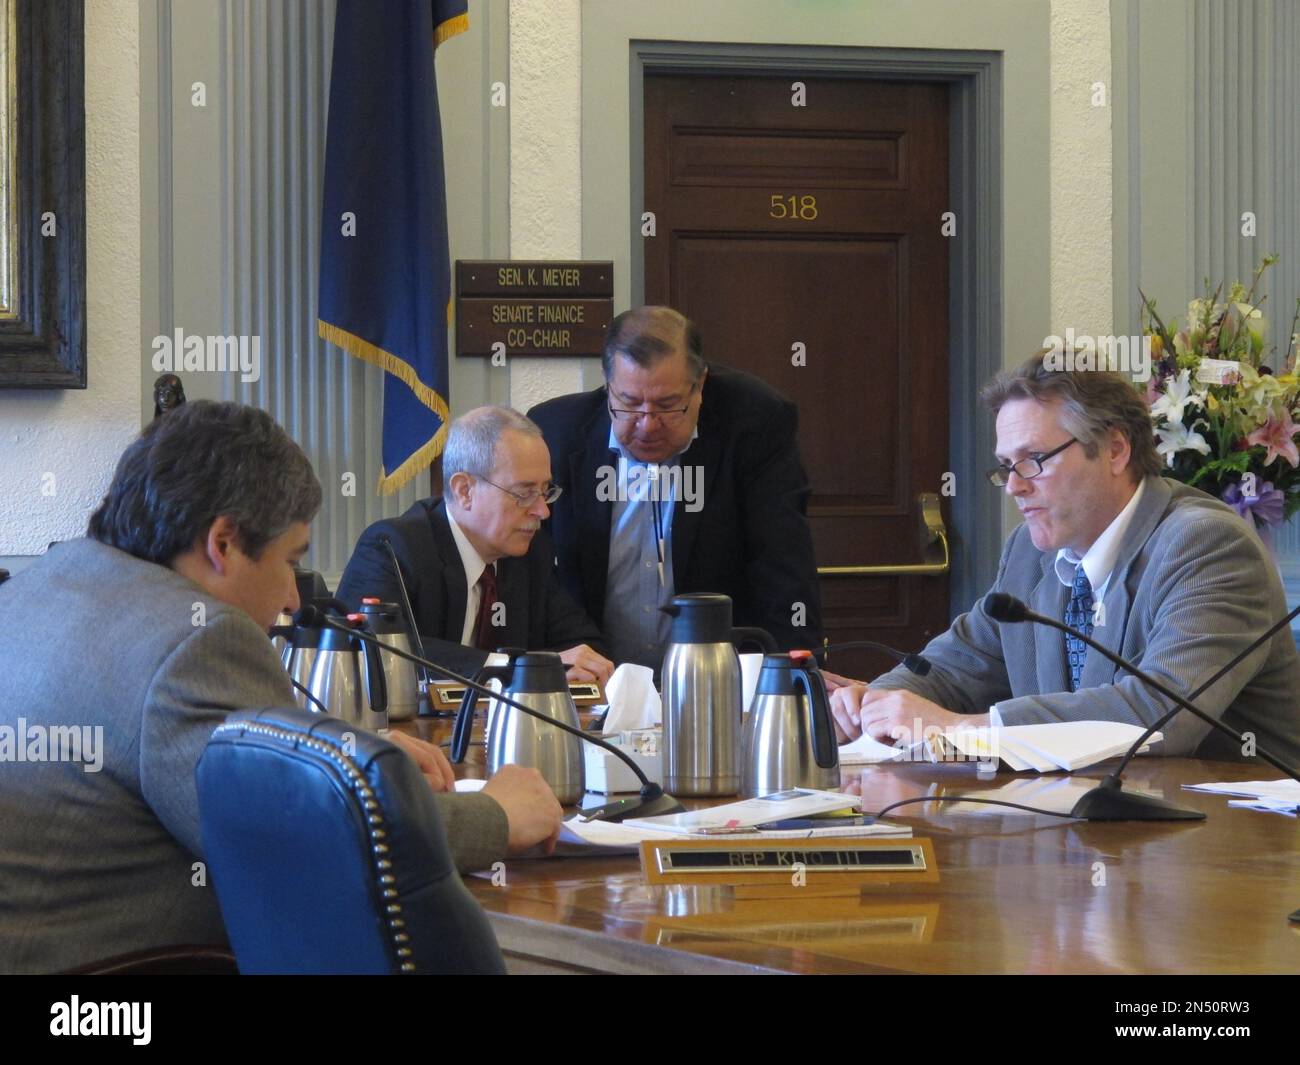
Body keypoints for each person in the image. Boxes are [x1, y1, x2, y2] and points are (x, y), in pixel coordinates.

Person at [0, 401, 561, 973]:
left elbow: (192, 761)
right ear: (223, 544)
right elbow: (305, 845)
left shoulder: (41, 586)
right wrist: (496, 815)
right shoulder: (193, 641)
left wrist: (344, 761)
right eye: (291, 560)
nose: (294, 598)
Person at [829, 350, 1300, 766]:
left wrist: (960, 730)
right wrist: (879, 702)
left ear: (1115, 449)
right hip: (1092, 825)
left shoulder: (1208, 546)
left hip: (1236, 841)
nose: (1014, 485)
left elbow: (1162, 714)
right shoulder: (1028, 553)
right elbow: (955, 666)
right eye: (1006, 466)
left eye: (1034, 459)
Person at [528, 306, 822, 670]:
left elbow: (783, 566)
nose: (648, 425)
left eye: (668, 406)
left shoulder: (754, 424)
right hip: (595, 679)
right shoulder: (555, 432)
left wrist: (795, 680)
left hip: (719, 676)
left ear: (700, 386)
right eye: (630, 403)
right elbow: (532, 574)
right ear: (607, 384)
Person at [338, 405, 613, 684]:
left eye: (545, 492)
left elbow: (585, 648)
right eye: (524, 493)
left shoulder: (531, 554)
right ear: (464, 491)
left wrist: (556, 668)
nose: (543, 511)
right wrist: (510, 667)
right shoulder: (392, 548)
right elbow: (372, 650)